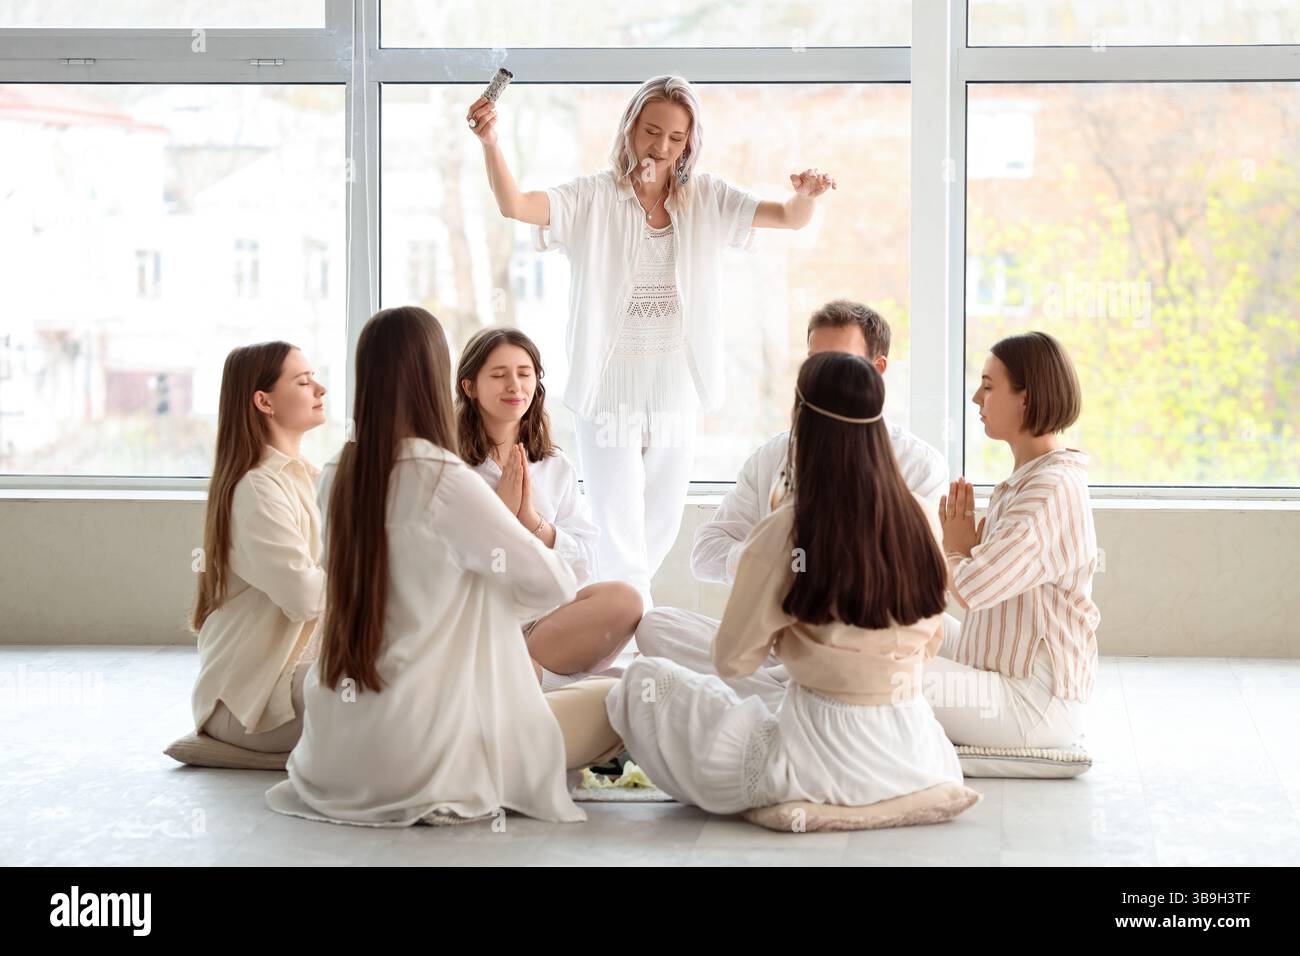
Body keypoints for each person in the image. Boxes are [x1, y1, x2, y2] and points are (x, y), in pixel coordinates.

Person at [468, 73, 837, 608]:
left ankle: (625, 615)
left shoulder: (705, 196)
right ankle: (624, 625)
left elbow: (787, 218)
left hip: (675, 382)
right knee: (616, 515)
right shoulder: (593, 196)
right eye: (651, 131)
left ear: (690, 143)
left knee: (661, 515)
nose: (661, 147)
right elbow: (517, 205)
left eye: (676, 138)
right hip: (609, 380)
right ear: (630, 129)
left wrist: (807, 196)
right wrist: (491, 142)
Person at [265, 306, 620, 828]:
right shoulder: (440, 476)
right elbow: (554, 583)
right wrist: (513, 521)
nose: (513, 384)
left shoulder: (337, 472)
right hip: (428, 755)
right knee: (620, 694)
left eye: (523, 374)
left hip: (332, 758)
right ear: (444, 379)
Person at [607, 352, 961, 814]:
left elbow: (733, 660)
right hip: (919, 755)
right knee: (663, 629)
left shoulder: (788, 527)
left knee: (639, 681)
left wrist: (788, 627)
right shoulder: (920, 515)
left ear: (802, 419)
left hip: (819, 761)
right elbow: (932, 637)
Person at [637, 300, 951, 705]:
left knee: (651, 685)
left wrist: (785, 559)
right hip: (778, 648)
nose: (821, 380)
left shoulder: (920, 467)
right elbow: (706, 555)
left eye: (838, 364)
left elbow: (918, 609)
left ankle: (788, 689)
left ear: (876, 373)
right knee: (656, 626)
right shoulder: (773, 459)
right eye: (813, 365)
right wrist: (770, 567)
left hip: (865, 653)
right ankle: (787, 686)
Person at [929, 331, 1099, 750]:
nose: (976, 399)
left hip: (1032, 703)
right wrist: (964, 551)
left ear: (1026, 397)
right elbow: (985, 582)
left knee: (879, 674)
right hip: (1003, 673)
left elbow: (972, 587)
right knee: (901, 623)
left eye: (988, 387)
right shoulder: (1027, 481)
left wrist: (955, 549)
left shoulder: (1050, 489)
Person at [456, 326, 642, 690]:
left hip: (541, 623)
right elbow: (443, 567)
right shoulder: (449, 466)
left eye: (524, 374)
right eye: (498, 375)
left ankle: (523, 673)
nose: (514, 386)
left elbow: (585, 562)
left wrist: (532, 522)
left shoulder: (554, 465)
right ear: (470, 387)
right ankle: (535, 677)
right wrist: (500, 517)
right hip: (478, 618)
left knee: (625, 599)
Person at [190, 342, 327, 754]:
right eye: (304, 382)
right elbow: (305, 596)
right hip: (253, 702)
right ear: (263, 401)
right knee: (396, 699)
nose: (320, 390)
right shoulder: (256, 487)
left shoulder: (305, 477)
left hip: (295, 675)